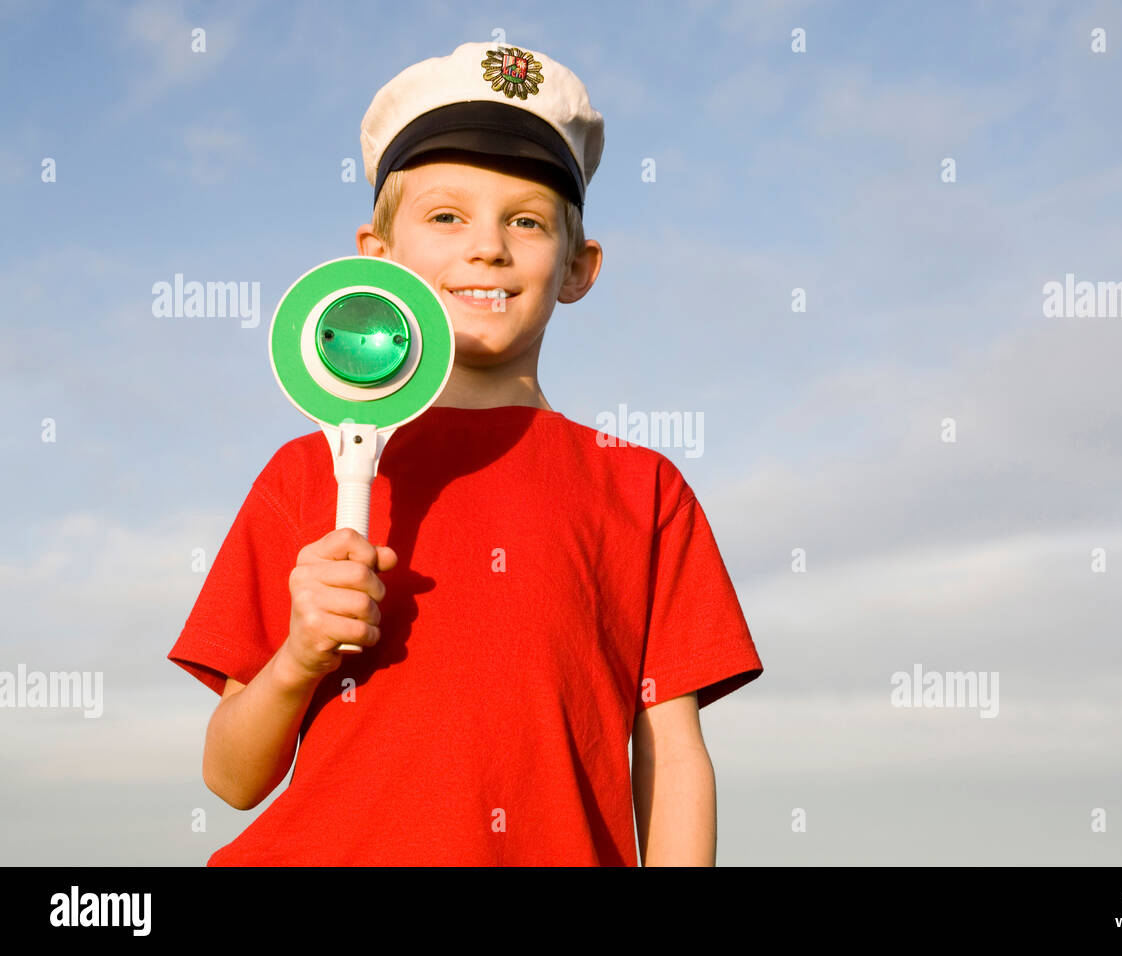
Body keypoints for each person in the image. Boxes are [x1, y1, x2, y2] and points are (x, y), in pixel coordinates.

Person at [167, 40, 763, 866]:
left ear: (579, 267)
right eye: (446, 216)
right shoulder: (304, 474)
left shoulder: (643, 488)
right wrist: (298, 658)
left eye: (526, 220)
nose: (487, 246)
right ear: (376, 256)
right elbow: (230, 779)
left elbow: (671, 754)